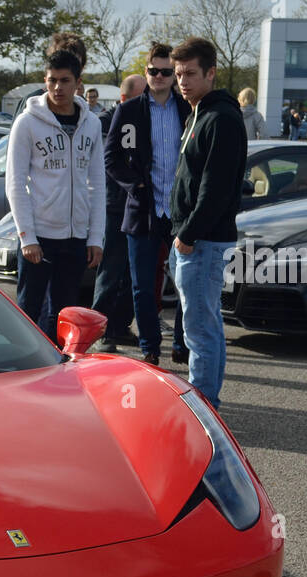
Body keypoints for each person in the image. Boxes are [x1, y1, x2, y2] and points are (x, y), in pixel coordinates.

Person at [169, 37, 247, 410]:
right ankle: (205, 403)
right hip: (193, 240)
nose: (182, 81)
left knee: (200, 331)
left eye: (190, 74)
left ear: (211, 73)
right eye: (178, 74)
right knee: (203, 326)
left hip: (203, 242)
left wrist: (188, 233)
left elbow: (214, 190)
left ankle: (202, 408)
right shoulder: (197, 113)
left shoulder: (222, 119)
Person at [6, 49, 104, 345]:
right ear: (44, 81)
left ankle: (54, 376)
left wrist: (96, 237)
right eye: (51, 81)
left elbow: (99, 183)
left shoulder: (93, 123)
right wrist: (28, 236)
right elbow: (14, 182)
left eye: (65, 81)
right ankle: (18, 371)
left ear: (79, 83)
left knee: (64, 315)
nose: (58, 88)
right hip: (40, 236)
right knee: (28, 313)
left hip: (75, 237)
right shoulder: (27, 122)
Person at [105, 42, 192, 366]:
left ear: (174, 74)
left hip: (181, 212)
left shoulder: (188, 110)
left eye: (166, 72)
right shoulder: (128, 111)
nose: (159, 76)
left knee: (185, 283)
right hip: (143, 209)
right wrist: (134, 184)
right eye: (153, 71)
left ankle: (181, 343)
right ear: (146, 72)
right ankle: (149, 347)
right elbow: (110, 158)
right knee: (142, 286)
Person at [91, 73, 146, 352]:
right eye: (142, 96)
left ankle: (119, 326)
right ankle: (100, 330)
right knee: (111, 269)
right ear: (124, 99)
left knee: (130, 271)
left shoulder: (145, 120)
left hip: (137, 204)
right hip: (114, 204)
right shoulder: (103, 123)